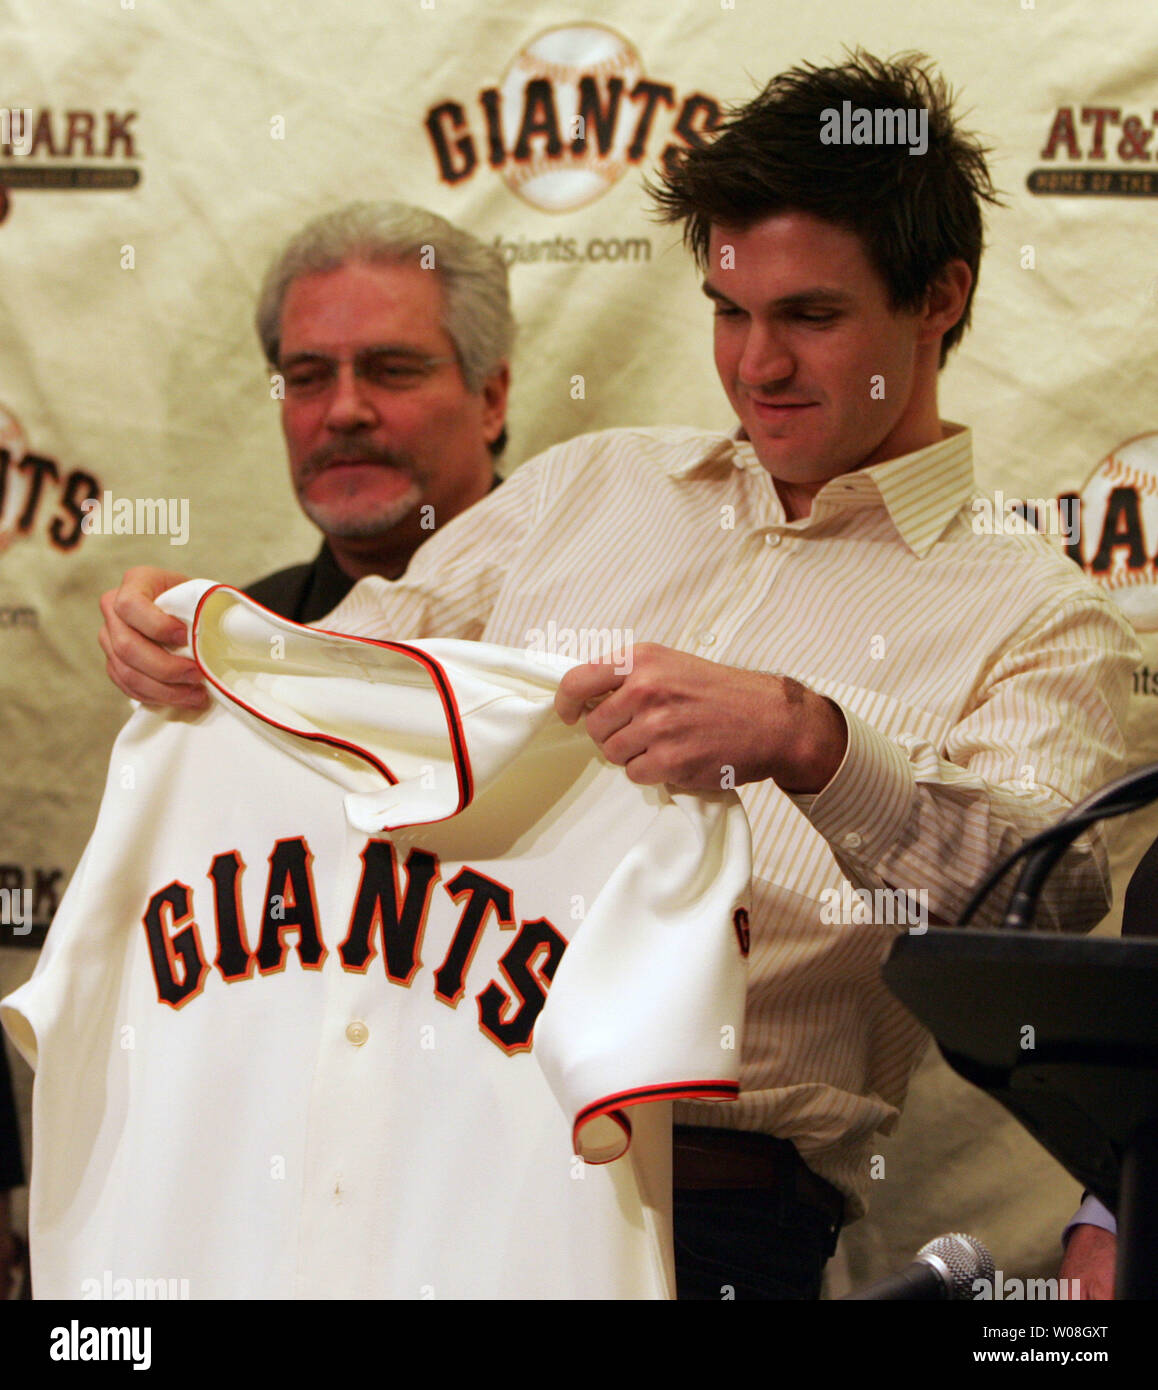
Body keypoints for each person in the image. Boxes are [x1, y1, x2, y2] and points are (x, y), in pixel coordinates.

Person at [98, 50, 1138, 1300]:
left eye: (810, 316)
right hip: (389, 1147)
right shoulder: (585, 489)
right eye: (727, 309)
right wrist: (197, 635)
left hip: (706, 1212)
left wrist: (814, 740)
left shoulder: (1041, 613)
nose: (756, 364)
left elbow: (1046, 901)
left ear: (939, 298)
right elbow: (343, 682)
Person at [153, 200, 512, 638]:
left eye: (393, 371)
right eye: (308, 377)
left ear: (492, 399)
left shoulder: (601, 625)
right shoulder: (234, 647)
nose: (344, 411)